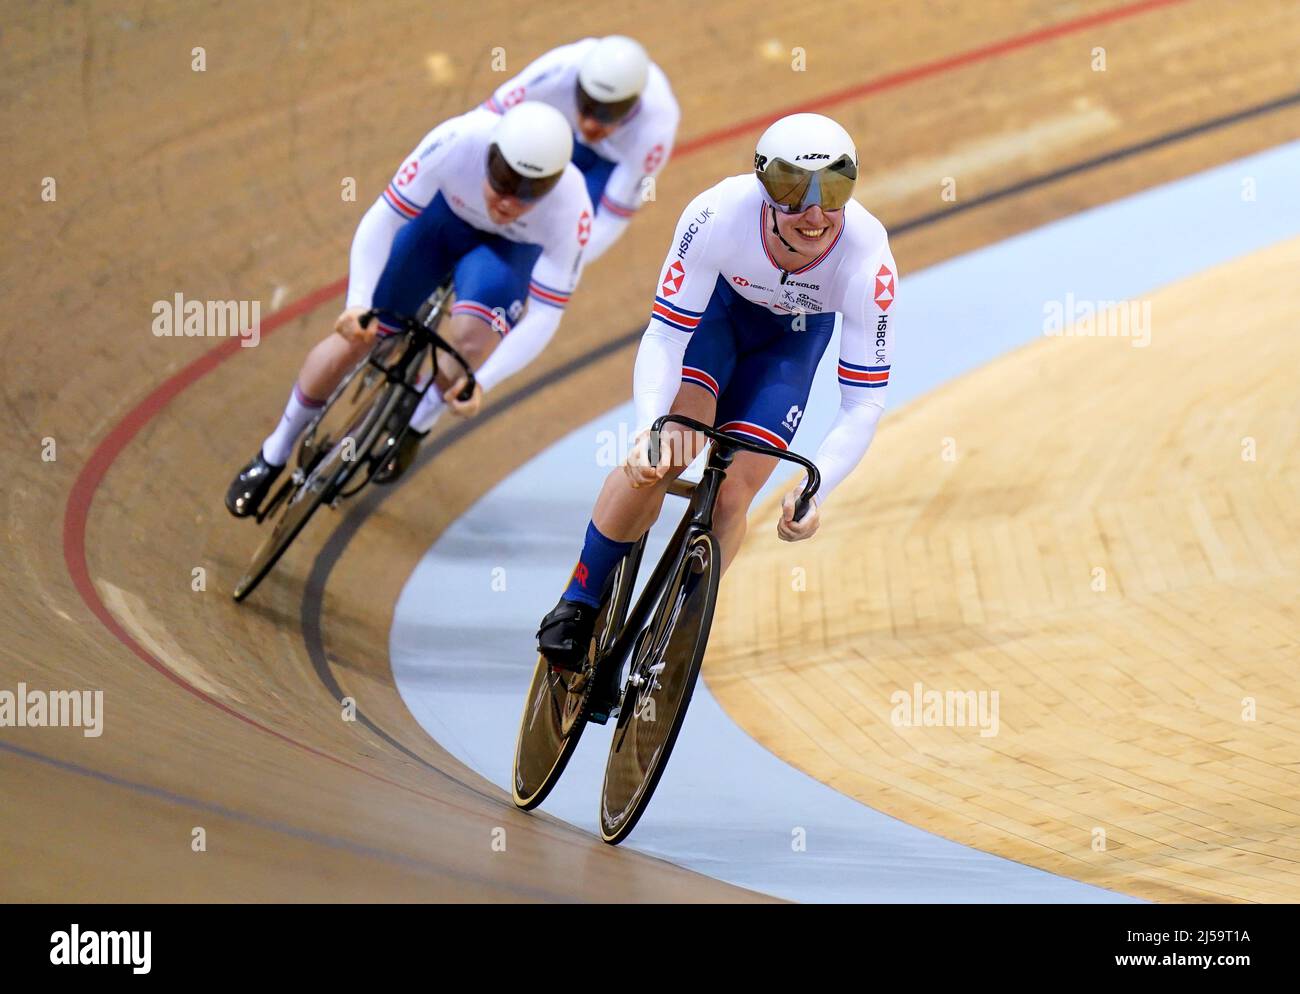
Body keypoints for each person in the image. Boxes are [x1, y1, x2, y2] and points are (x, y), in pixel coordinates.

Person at [535, 113, 899, 668]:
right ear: (762, 185)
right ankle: (580, 597)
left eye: (835, 189)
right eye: (793, 189)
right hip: (718, 322)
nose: (814, 212)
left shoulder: (868, 258)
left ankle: (676, 636)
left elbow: (863, 402)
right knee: (669, 452)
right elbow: (664, 335)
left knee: (732, 496)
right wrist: (646, 430)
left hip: (791, 346)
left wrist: (815, 493)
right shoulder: (717, 214)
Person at [225, 101, 593, 516]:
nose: (508, 201)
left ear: (553, 183)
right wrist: (358, 305)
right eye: (503, 180)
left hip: (504, 255)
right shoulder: (458, 140)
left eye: (528, 192)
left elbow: (545, 313)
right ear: (490, 154)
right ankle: (274, 451)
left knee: (470, 343)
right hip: (440, 225)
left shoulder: (572, 206)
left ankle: (420, 418)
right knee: (351, 341)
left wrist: (481, 381)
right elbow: (385, 217)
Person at [480, 35, 679, 263]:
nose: (590, 124)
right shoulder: (560, 69)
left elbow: (612, 217)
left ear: (633, 105)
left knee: (563, 231)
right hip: (551, 134)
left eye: (607, 114)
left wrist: (561, 266)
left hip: (606, 165)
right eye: (586, 104)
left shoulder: (656, 127)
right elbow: (483, 121)